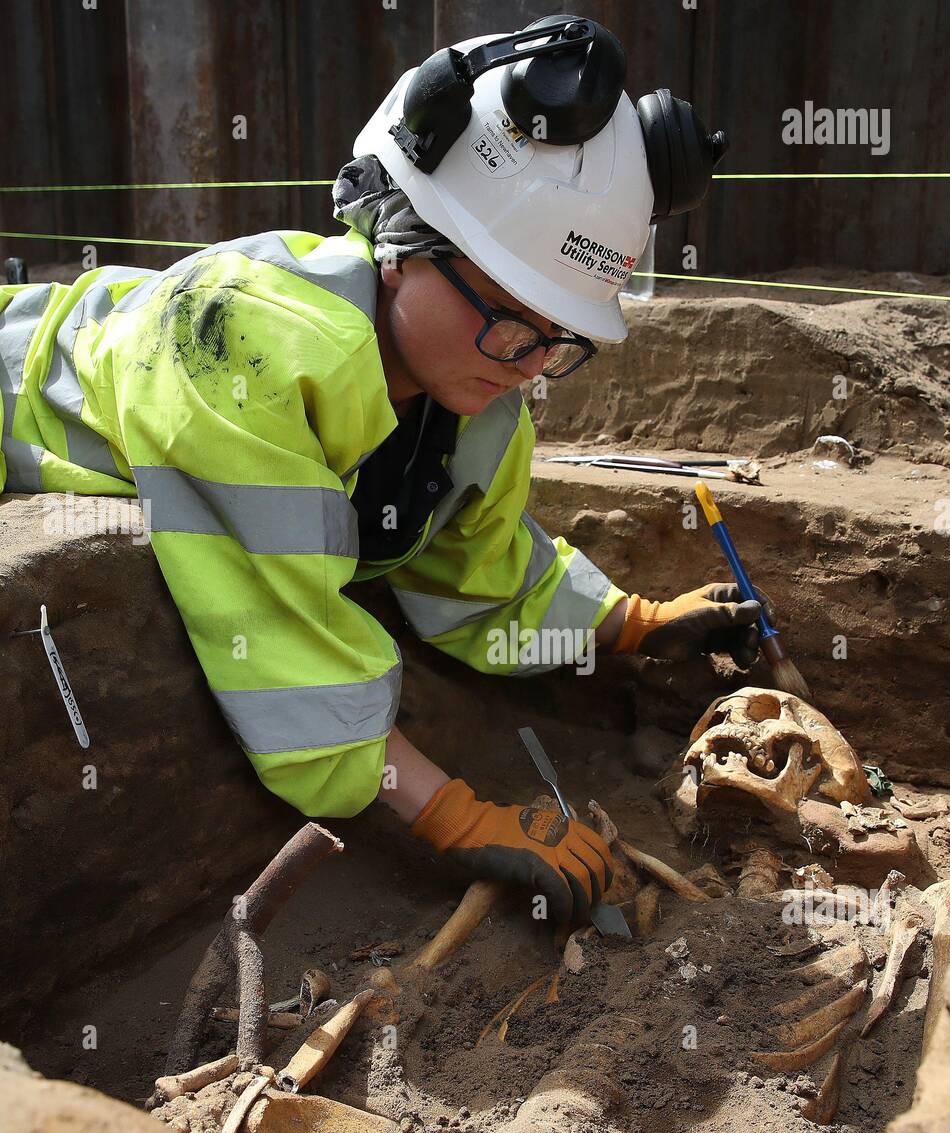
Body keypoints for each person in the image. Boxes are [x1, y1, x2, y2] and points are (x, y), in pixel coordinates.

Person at [0, 19, 759, 927]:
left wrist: (633, 624)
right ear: (401, 242)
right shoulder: (232, 345)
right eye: (511, 318)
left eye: (559, 340)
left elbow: (483, 572)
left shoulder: (481, 401)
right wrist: (453, 815)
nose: (528, 365)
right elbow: (282, 634)